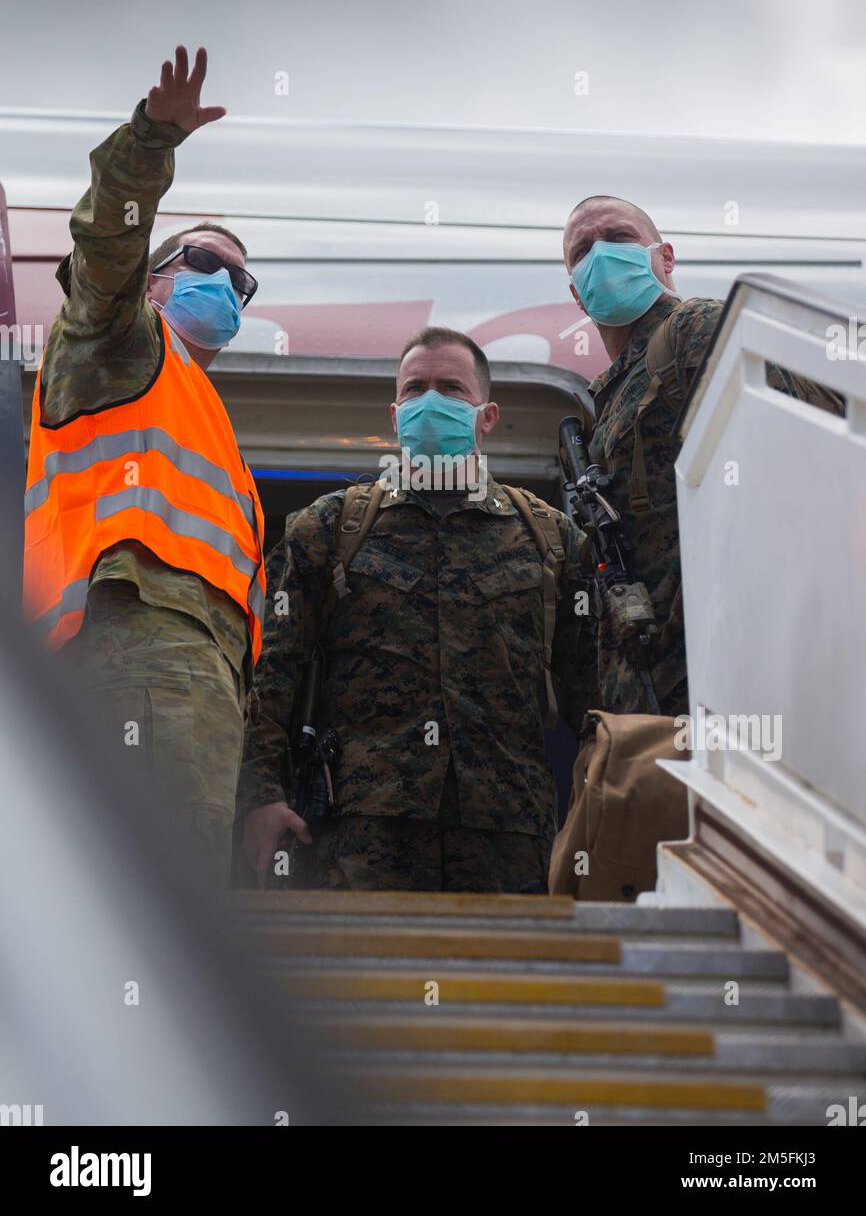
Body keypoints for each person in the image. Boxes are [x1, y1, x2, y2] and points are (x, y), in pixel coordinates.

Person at [23, 46, 267, 881]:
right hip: (132, 644)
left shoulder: (203, 418)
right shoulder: (120, 341)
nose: (228, 285)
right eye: (205, 262)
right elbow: (104, 255)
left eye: (244, 279)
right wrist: (150, 142)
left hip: (190, 671)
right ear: (157, 280)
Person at [238, 327, 592, 893]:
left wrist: (601, 810)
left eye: (451, 389)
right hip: (363, 841)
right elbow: (271, 678)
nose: (431, 402)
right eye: (415, 390)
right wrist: (261, 800)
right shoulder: (330, 529)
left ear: (488, 415)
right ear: (396, 414)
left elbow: (589, 695)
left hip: (509, 843)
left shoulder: (550, 538)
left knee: (504, 983)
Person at [562, 194, 844, 717]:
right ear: (577, 294)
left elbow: (792, 479)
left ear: (665, 258)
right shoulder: (613, 393)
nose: (602, 254)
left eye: (620, 238)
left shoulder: (696, 329)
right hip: (653, 688)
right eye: (583, 249)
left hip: (722, 680)